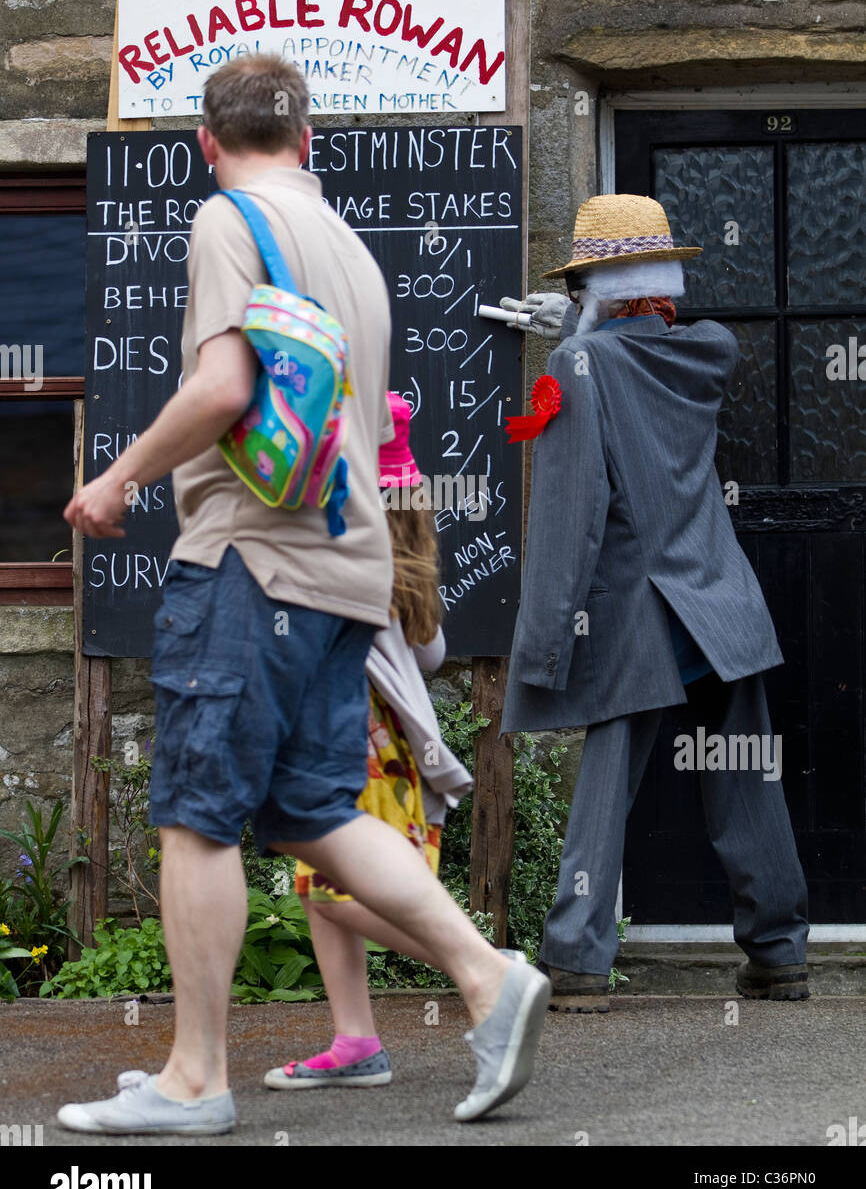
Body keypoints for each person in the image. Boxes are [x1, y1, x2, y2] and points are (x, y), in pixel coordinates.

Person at [58, 55, 550, 1134]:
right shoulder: (354, 255)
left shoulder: (230, 220)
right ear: (311, 141)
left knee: (196, 812)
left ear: (205, 141)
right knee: (311, 808)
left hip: (250, 558)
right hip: (346, 574)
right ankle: (485, 974)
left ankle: (196, 1078)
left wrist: (117, 477)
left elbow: (225, 384)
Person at [500, 194, 809, 1012]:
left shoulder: (577, 369)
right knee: (747, 775)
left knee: (606, 781)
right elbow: (640, 365)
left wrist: (542, 649)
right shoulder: (703, 353)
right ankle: (779, 953)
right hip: (721, 599)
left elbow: (570, 516)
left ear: (598, 284)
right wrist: (580, 338)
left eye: (578, 289)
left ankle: (575, 959)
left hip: (636, 611)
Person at [267, 392, 474, 1089]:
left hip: (361, 746)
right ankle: (356, 1040)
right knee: (319, 890)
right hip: (386, 755)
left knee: (333, 892)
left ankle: (492, 969)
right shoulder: (402, 554)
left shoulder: (354, 550)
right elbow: (433, 653)